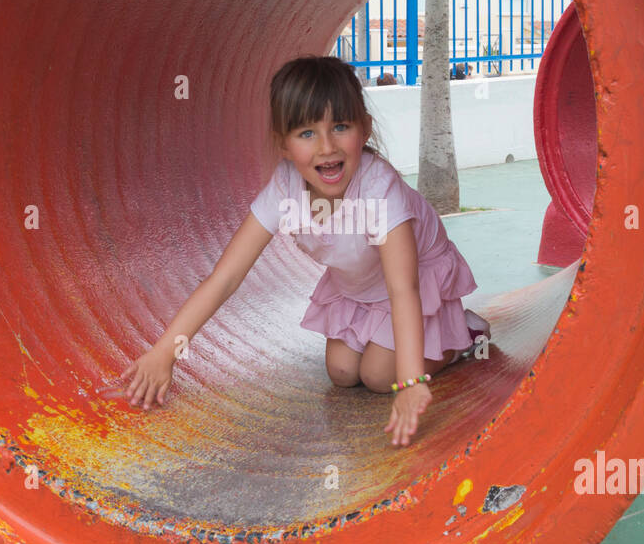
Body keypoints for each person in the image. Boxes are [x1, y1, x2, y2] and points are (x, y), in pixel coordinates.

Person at [105, 55, 490, 448]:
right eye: (307, 133)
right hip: (358, 288)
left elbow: (403, 289)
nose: (326, 147)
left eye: (340, 127)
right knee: (342, 371)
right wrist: (164, 354)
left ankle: (462, 334)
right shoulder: (285, 189)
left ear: (365, 129)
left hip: (412, 282)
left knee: (378, 378)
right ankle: (419, 345)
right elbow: (225, 278)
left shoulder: (379, 189)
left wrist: (410, 382)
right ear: (284, 145)